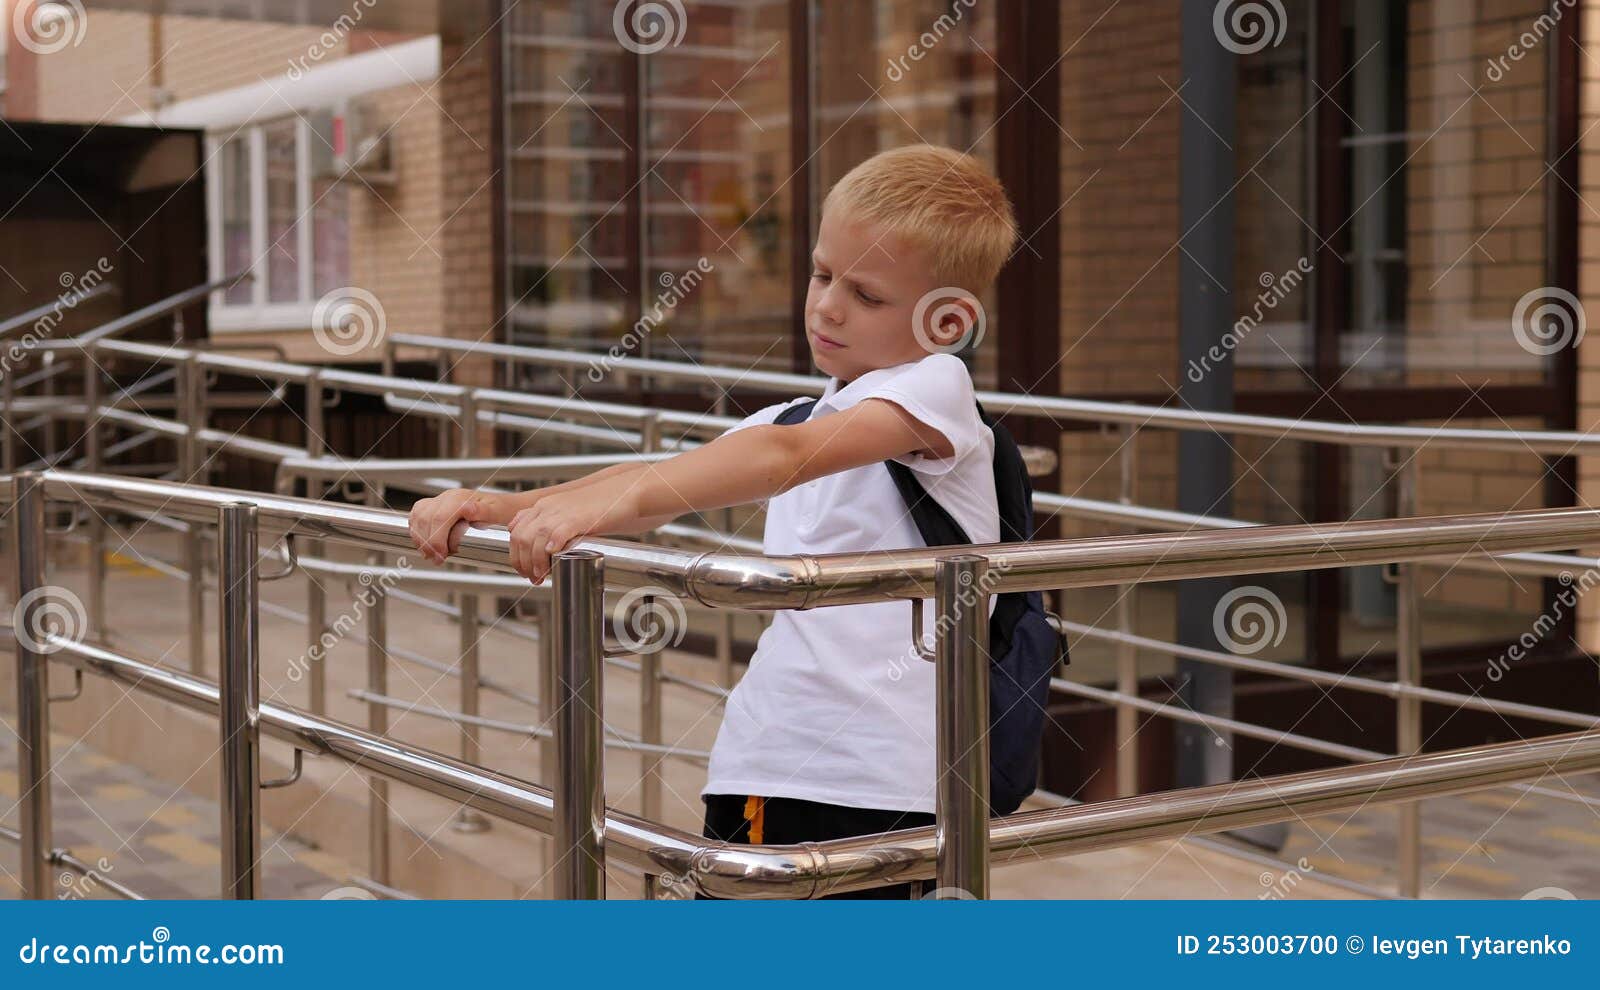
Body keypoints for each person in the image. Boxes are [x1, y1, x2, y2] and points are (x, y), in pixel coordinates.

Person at [408, 143, 1018, 898]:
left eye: (867, 295)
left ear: (949, 321)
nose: (828, 306)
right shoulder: (803, 414)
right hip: (768, 762)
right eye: (822, 274)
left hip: (881, 782)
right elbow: (664, 475)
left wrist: (605, 505)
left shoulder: (936, 389)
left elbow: (779, 458)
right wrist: (501, 507)